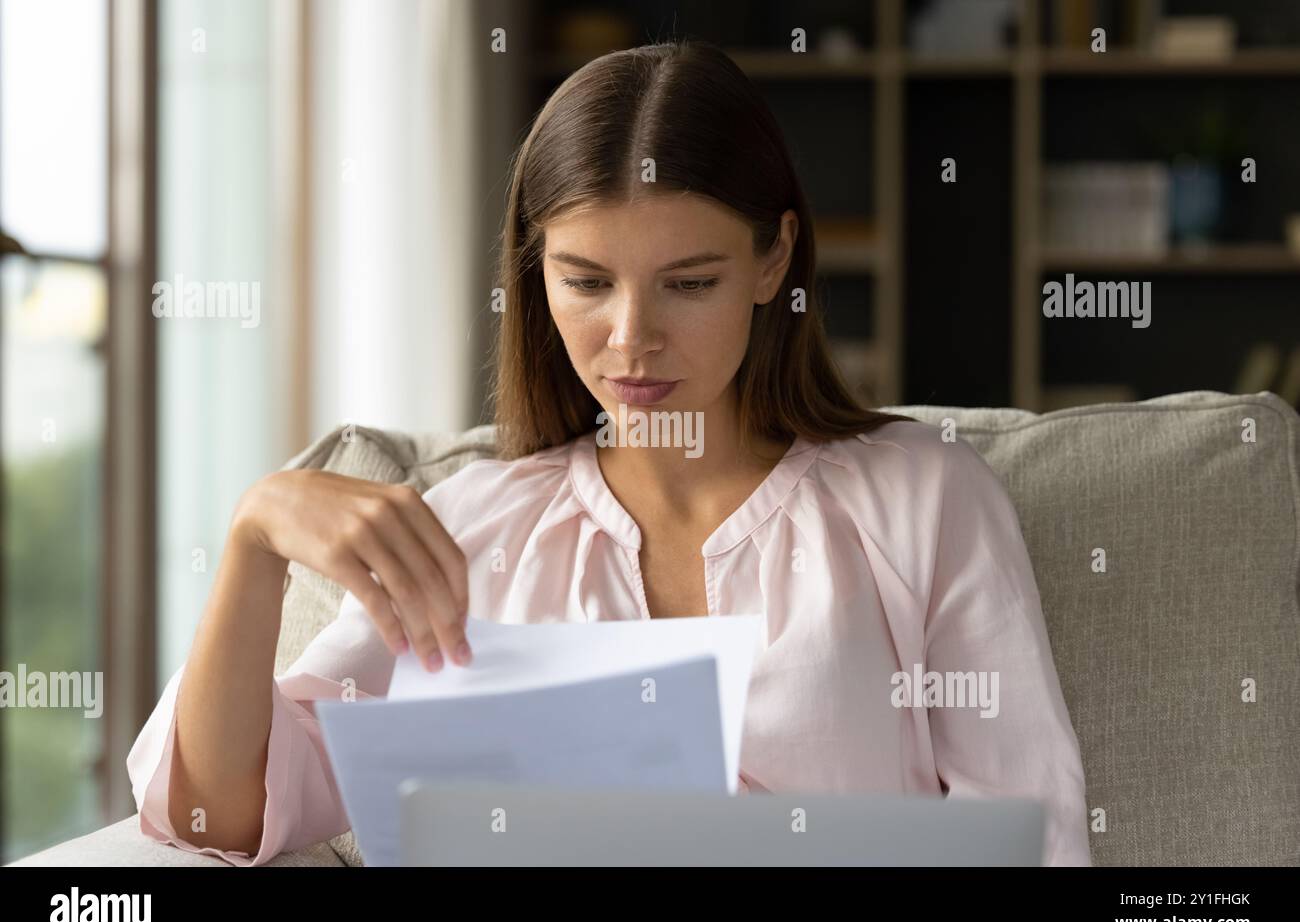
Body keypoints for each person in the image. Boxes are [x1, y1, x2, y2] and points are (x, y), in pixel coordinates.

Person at [127, 39, 1091, 866]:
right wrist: (256, 537)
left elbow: (1032, 837)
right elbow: (218, 810)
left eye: (689, 282)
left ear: (773, 260)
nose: (632, 338)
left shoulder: (923, 500)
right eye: (586, 280)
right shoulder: (471, 528)